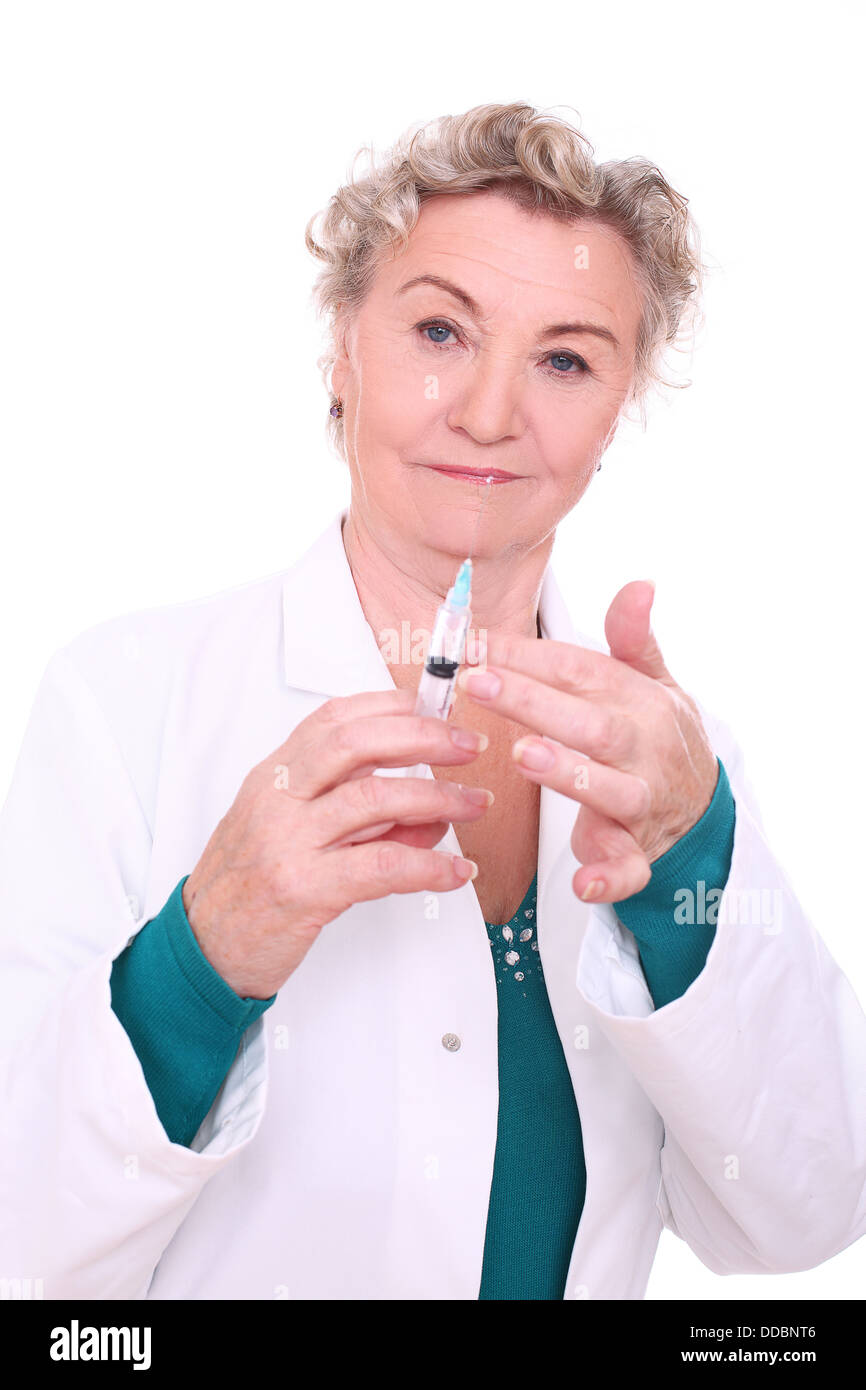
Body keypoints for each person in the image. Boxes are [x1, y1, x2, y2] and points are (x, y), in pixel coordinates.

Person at [1, 102, 864, 1301]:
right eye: (440, 331)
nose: (491, 412)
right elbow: (25, 1254)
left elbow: (799, 1214)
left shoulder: (661, 761)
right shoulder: (123, 705)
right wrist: (205, 957)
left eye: (564, 358)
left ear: (616, 411)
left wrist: (689, 864)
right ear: (341, 351)